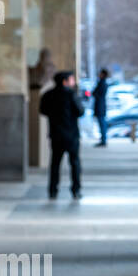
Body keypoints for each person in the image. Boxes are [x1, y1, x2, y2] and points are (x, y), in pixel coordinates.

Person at [40, 70, 84, 200]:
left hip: (56, 135)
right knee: (75, 163)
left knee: (55, 164)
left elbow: (43, 110)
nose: (73, 82)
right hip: (72, 136)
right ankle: (76, 190)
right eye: (71, 79)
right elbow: (80, 111)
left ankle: (53, 190)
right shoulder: (71, 94)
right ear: (65, 81)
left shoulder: (48, 94)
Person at [92, 68, 110, 146]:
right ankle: (103, 140)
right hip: (101, 106)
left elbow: (95, 93)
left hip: (100, 107)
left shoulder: (102, 83)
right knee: (102, 123)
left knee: (102, 124)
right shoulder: (102, 83)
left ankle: (103, 140)